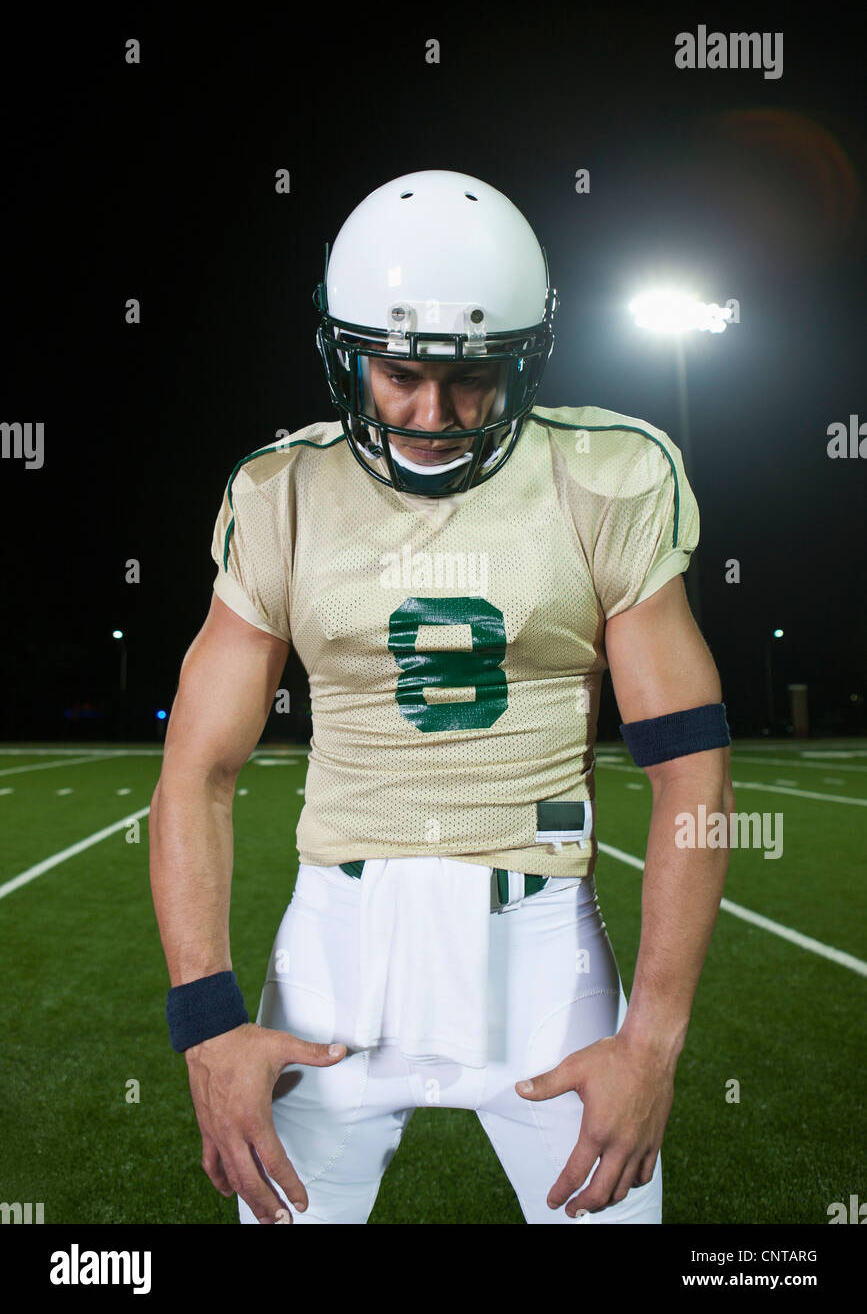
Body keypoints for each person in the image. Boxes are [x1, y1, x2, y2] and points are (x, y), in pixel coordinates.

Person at [149, 169, 735, 1225]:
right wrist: (205, 1023)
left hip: (542, 948)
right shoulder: (283, 490)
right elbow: (198, 770)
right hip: (336, 948)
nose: (434, 413)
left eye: (474, 376)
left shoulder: (608, 474)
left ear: (530, 354)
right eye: (401, 372)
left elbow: (690, 764)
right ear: (347, 353)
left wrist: (651, 1042)